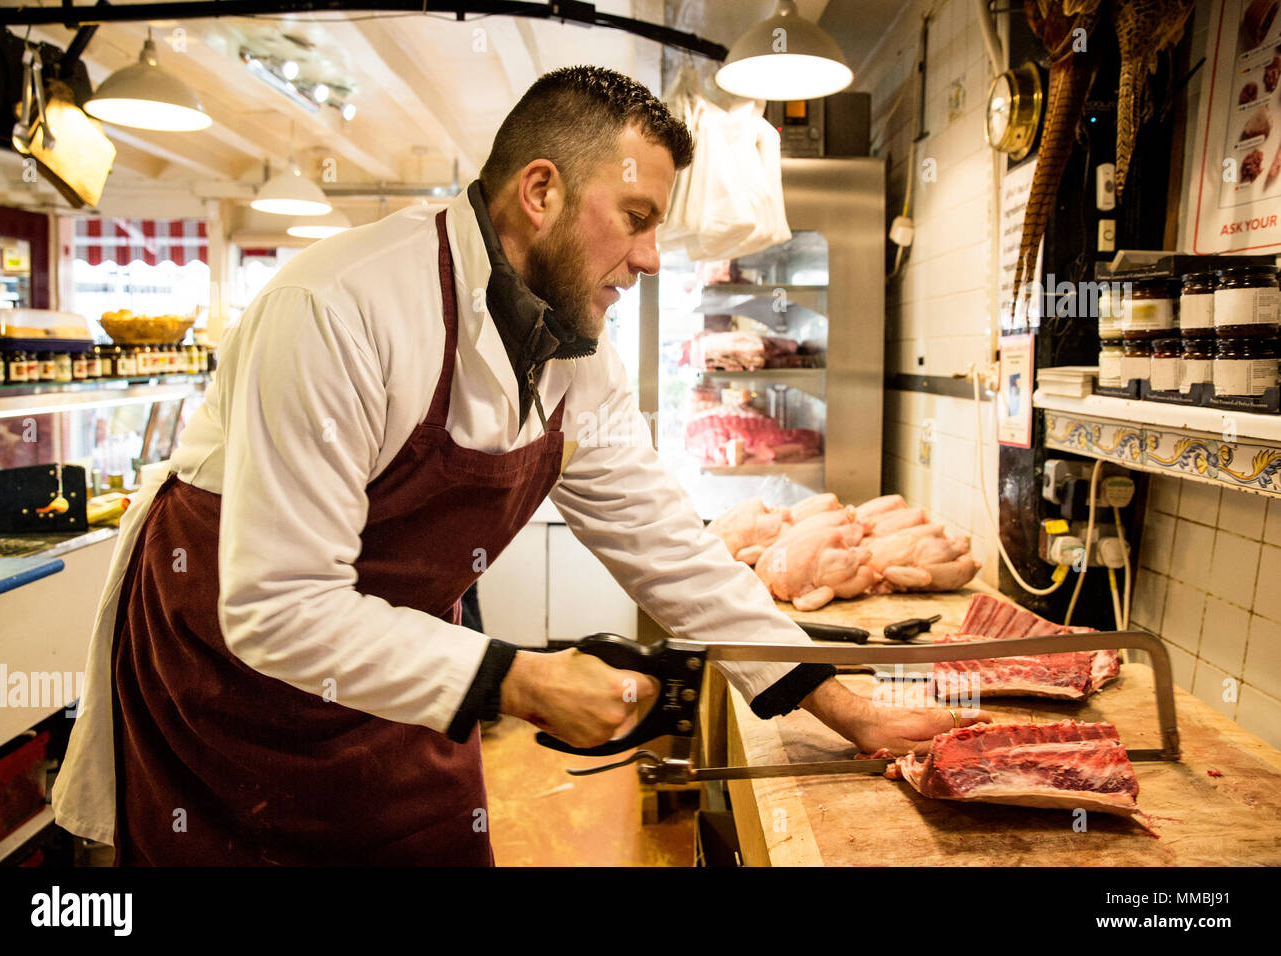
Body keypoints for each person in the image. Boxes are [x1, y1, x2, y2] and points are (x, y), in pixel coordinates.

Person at [52, 66, 984, 865]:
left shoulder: (578, 350)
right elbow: (278, 607)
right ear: (539, 191)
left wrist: (845, 705)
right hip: (228, 683)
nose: (653, 258)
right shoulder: (341, 307)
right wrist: (519, 679)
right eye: (636, 218)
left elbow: (665, 543)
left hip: (397, 657)